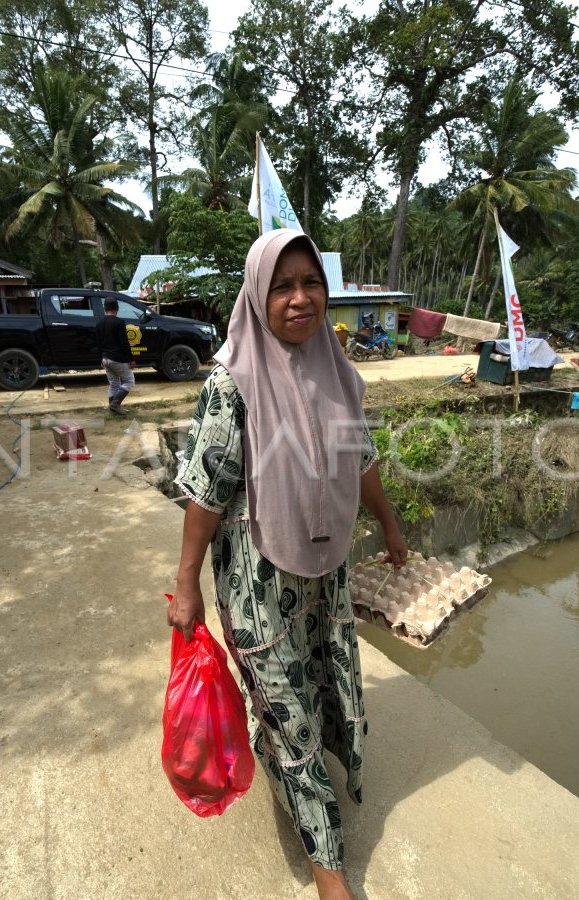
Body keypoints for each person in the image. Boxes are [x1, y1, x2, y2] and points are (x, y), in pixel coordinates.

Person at [168, 231, 408, 900]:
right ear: (256, 295)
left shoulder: (338, 370)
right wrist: (186, 583)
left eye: (311, 283)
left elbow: (360, 458)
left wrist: (389, 523)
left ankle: (279, 754)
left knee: (318, 680)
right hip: (257, 579)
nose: (300, 298)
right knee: (289, 713)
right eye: (282, 286)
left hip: (325, 569)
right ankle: (331, 874)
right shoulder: (232, 383)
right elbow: (206, 493)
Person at [94, 297, 135, 415]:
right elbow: (124, 343)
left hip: (105, 359)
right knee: (129, 381)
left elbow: (98, 344)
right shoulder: (119, 322)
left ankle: (113, 410)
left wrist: (101, 359)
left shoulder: (99, 323)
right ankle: (115, 404)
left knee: (113, 384)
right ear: (117, 308)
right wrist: (131, 358)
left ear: (105, 308)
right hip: (117, 358)